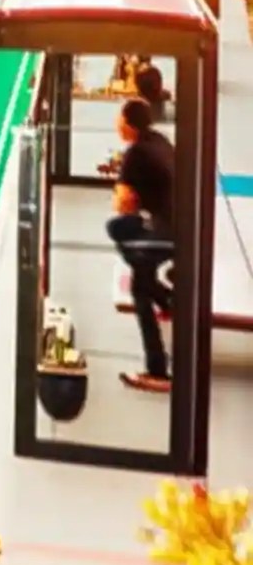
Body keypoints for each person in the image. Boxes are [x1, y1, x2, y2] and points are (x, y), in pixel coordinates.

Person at [105, 98, 174, 393]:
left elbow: (122, 204)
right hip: (180, 225)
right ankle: (167, 298)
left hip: (168, 234)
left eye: (119, 119)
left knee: (138, 286)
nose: (116, 124)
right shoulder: (160, 140)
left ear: (129, 124)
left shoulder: (134, 154)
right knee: (122, 232)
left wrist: (124, 189)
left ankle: (157, 370)